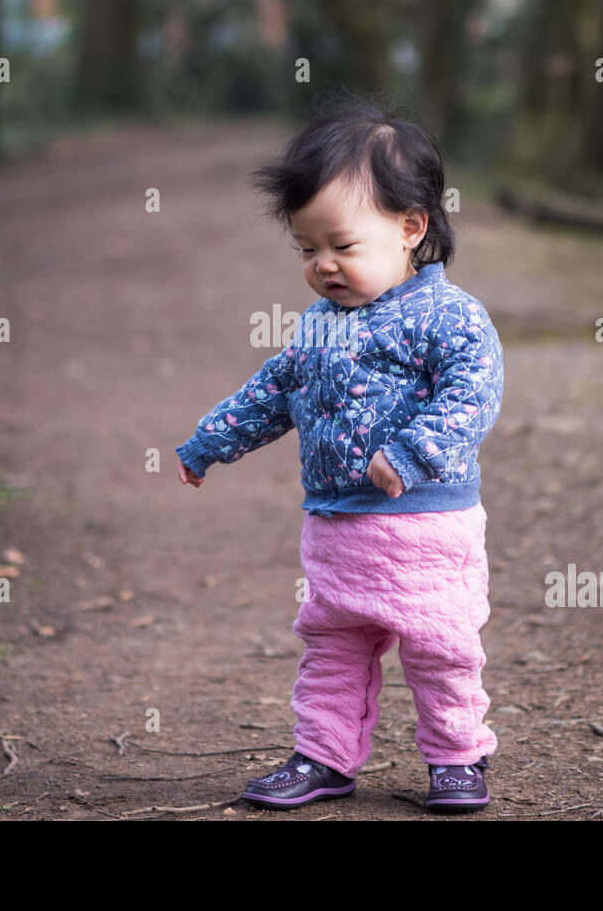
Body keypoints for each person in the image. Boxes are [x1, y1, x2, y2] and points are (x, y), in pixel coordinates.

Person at [174, 94, 504, 813]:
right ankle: (323, 755)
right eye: (306, 249)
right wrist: (210, 442)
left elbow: (474, 393)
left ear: (411, 227)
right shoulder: (319, 326)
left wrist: (415, 451)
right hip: (338, 529)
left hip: (425, 527)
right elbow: (272, 392)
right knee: (332, 647)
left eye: (342, 246)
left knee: (440, 647)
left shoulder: (448, 316)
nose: (323, 265)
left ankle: (456, 756)